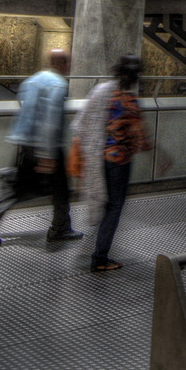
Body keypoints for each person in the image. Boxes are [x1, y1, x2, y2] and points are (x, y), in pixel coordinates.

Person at [0, 49, 82, 246]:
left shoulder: (31, 80)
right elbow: (51, 121)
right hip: (46, 145)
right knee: (61, 188)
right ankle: (60, 229)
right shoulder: (58, 84)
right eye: (68, 63)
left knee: (17, 188)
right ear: (62, 64)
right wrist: (48, 154)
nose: (69, 67)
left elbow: (22, 108)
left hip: (24, 142)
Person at [79, 55, 151, 272]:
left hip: (103, 157)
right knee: (114, 209)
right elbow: (142, 140)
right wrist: (160, 156)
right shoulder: (130, 102)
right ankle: (100, 257)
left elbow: (85, 122)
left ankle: (99, 248)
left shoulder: (107, 96)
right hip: (120, 162)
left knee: (106, 204)